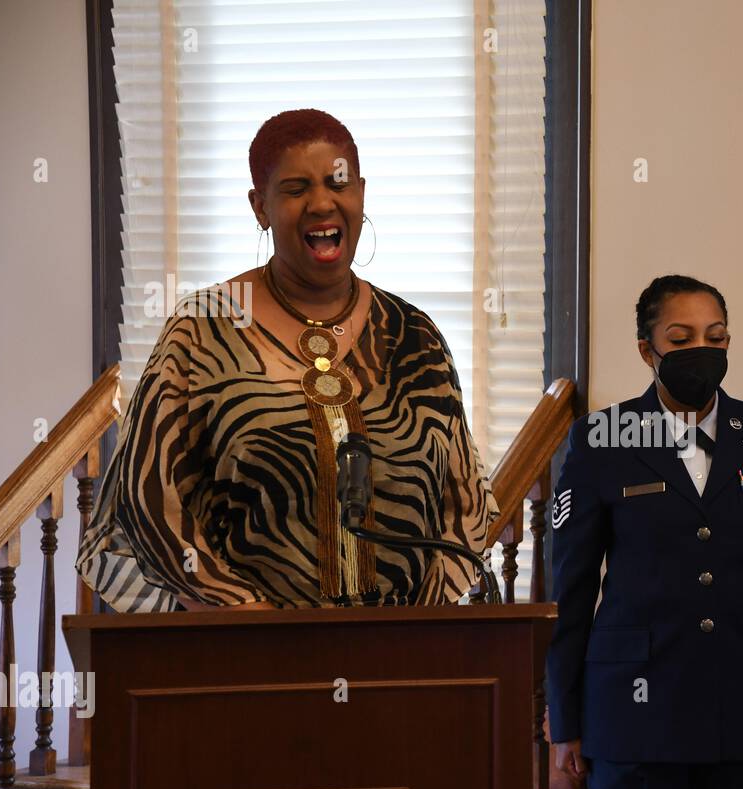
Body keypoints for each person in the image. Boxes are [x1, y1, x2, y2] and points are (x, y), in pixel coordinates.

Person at [77, 109, 499, 612]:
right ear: (261, 207)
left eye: (337, 183)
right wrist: (244, 614)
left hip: (400, 661)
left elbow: (462, 506)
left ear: (360, 193)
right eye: (296, 188)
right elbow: (146, 502)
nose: (322, 202)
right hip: (250, 661)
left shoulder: (417, 338)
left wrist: (418, 630)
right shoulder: (203, 328)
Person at [545, 274, 743, 789]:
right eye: (681, 338)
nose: (702, 350)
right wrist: (564, 720)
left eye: (716, 336)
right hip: (632, 716)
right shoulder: (600, 439)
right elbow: (570, 591)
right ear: (647, 350)